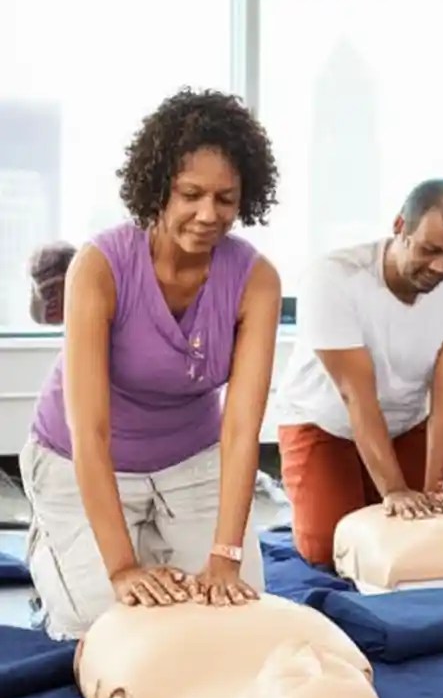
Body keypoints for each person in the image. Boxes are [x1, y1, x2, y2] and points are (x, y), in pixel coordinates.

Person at [20, 88, 281, 640]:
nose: (208, 214)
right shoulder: (100, 265)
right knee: (111, 624)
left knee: (232, 611)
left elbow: (240, 430)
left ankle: (155, 540)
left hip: (192, 460)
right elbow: (89, 432)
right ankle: (54, 544)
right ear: (159, 186)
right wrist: (119, 569)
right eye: (191, 193)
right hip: (78, 459)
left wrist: (226, 555)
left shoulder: (256, 280)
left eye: (226, 199)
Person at [274, 180, 443, 566]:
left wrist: (436, 487)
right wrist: (393, 489)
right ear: (399, 226)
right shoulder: (332, 277)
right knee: (331, 550)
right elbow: (356, 393)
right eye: (430, 250)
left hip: (406, 422)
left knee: (418, 537)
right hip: (323, 421)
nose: (441, 267)